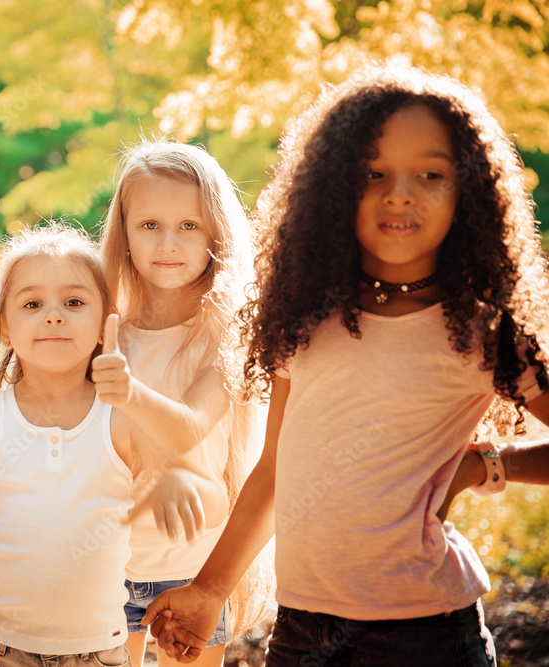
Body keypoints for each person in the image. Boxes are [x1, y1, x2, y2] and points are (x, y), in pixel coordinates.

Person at [142, 64, 549, 666]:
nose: (400, 193)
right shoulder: (303, 316)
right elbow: (275, 469)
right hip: (302, 631)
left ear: (469, 193)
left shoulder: (484, 333)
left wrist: (486, 466)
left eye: (430, 174)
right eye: (372, 173)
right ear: (333, 188)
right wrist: (207, 592)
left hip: (429, 635)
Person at [0, 222, 193, 666]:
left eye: (74, 302)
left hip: (98, 650)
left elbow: (182, 493)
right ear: (4, 327)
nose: (54, 316)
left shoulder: (124, 420)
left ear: (106, 323)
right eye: (32, 304)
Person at [94, 139, 272, 667]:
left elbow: (190, 426)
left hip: (193, 569)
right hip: (103, 563)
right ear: (124, 233)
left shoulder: (226, 337)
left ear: (216, 232)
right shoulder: (103, 330)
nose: (167, 243)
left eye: (189, 225)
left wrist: (128, 391)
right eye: (149, 224)